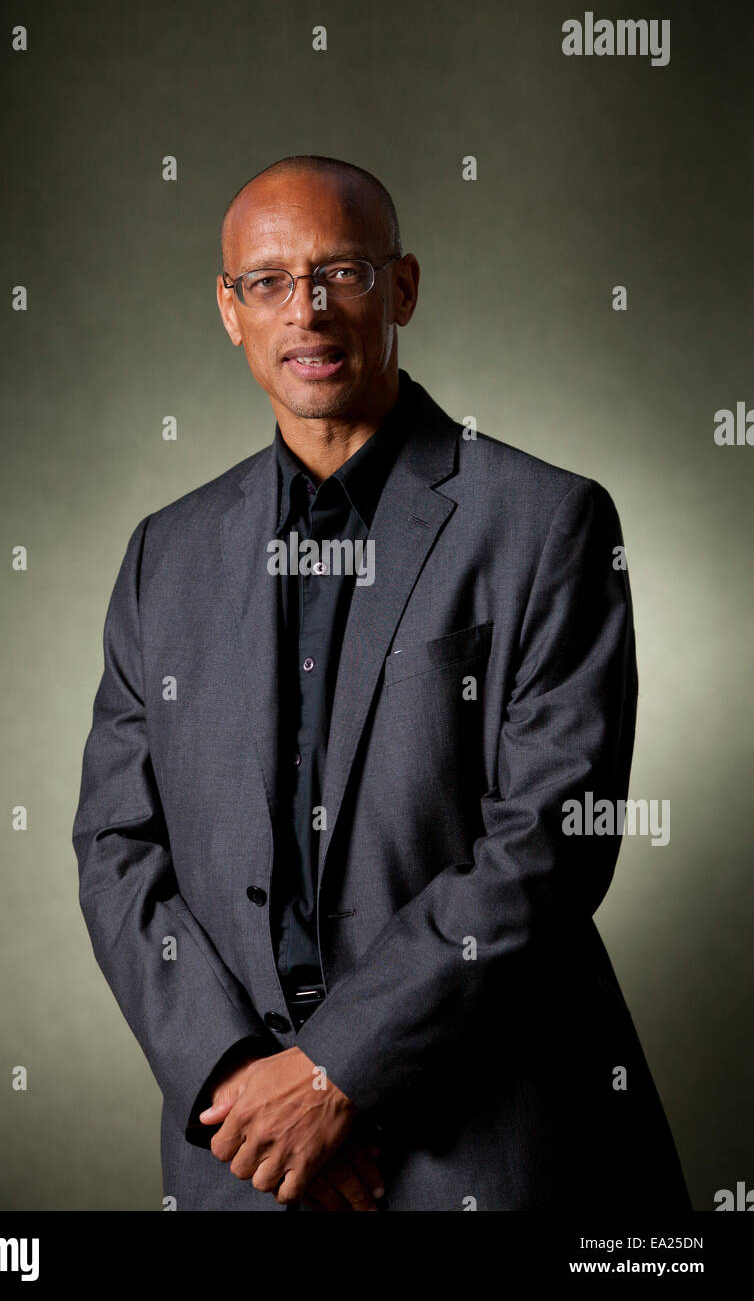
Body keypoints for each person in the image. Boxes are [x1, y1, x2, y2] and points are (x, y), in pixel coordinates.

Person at [72, 154, 691, 1211]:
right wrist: (241, 1085)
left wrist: (337, 1075)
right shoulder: (162, 556)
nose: (304, 310)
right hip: (243, 1160)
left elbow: (548, 841)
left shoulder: (547, 524)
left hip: (488, 1146)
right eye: (266, 281)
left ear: (400, 289)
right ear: (229, 311)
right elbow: (115, 848)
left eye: (340, 273)